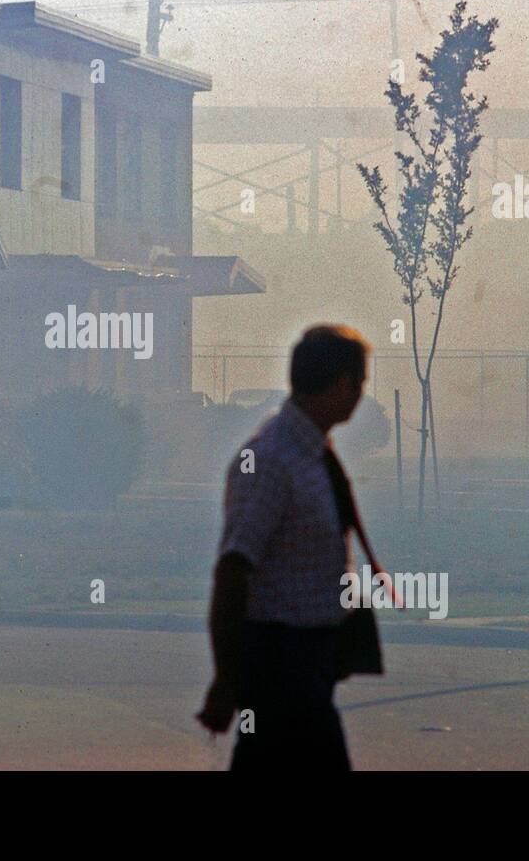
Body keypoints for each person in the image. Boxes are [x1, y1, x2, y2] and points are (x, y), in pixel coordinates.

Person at [197, 324, 371, 770]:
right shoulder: (273, 460)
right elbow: (232, 569)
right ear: (340, 383)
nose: (360, 395)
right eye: (359, 382)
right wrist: (225, 679)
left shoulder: (312, 453)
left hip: (308, 664)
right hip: (280, 665)